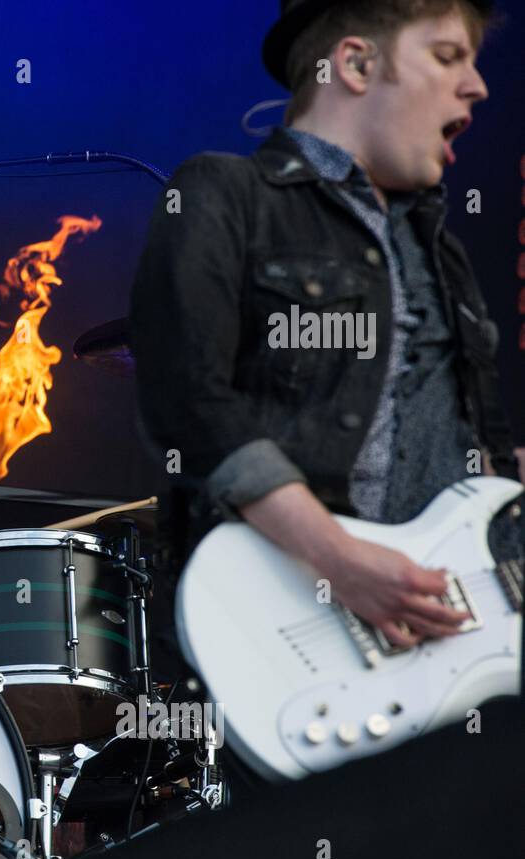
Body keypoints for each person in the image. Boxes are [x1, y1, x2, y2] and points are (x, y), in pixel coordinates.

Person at [131, 0, 519, 652]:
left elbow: (485, 461)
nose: (477, 85)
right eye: (449, 55)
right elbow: (188, 400)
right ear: (357, 63)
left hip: (458, 634)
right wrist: (338, 558)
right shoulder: (225, 193)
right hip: (296, 638)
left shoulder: (440, 252)